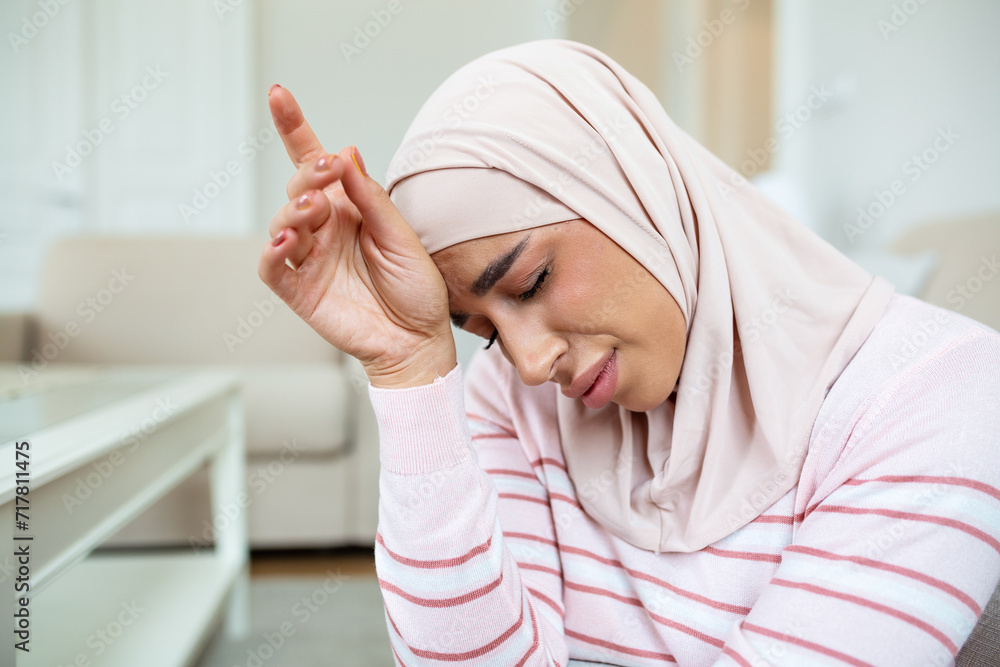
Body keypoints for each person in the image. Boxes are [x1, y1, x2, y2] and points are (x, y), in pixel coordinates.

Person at [259, 40, 1000, 666]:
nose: (526, 362)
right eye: (480, 329)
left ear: (631, 190)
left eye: (531, 280)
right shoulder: (513, 403)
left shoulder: (941, 392)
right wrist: (406, 366)